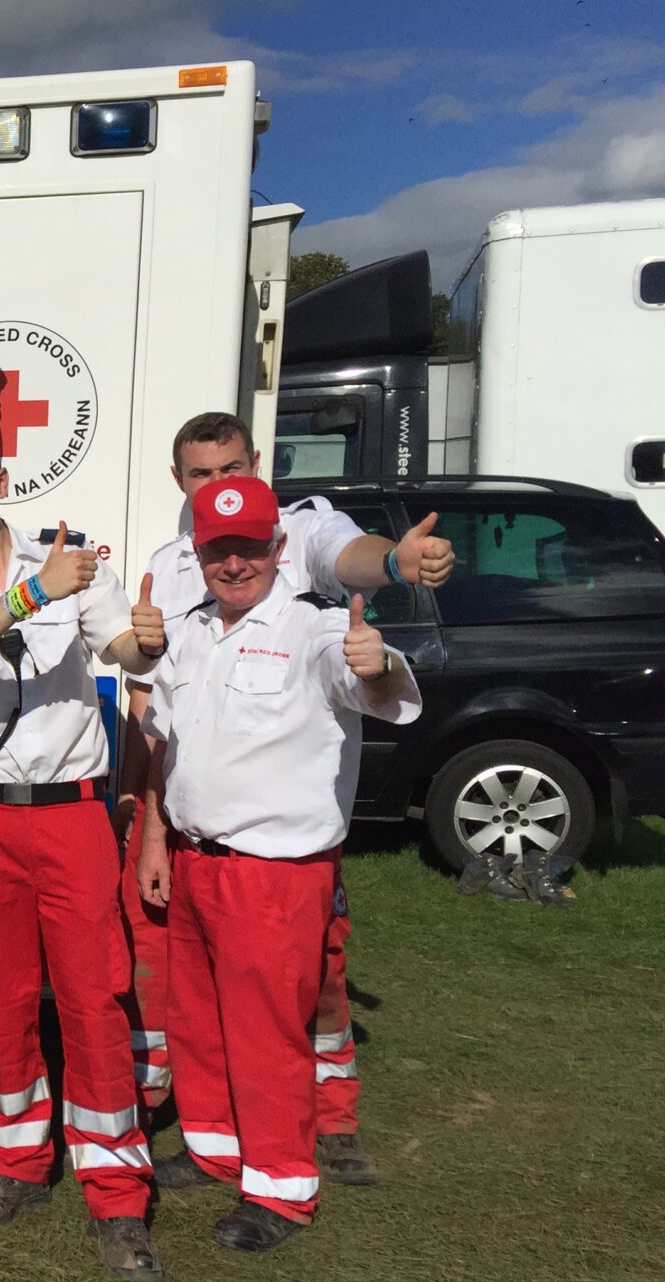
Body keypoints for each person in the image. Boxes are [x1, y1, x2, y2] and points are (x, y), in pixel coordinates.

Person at [122, 411, 455, 1182]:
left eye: (249, 548)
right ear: (197, 551)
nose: (233, 563)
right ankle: (214, 1151)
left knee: (270, 1031)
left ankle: (280, 1187)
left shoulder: (311, 625)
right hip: (197, 859)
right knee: (198, 1025)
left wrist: (375, 648)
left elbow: (364, 664)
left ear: (277, 547)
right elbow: (163, 737)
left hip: (273, 872)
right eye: (218, 550)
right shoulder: (195, 631)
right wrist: (154, 837)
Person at [0, 421, 163, 1282]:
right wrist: (27, 596)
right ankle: (15, 1162)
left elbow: (118, 646)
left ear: (0, 478)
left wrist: (144, 642)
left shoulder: (72, 556)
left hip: (72, 815)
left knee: (95, 995)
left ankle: (118, 1189)